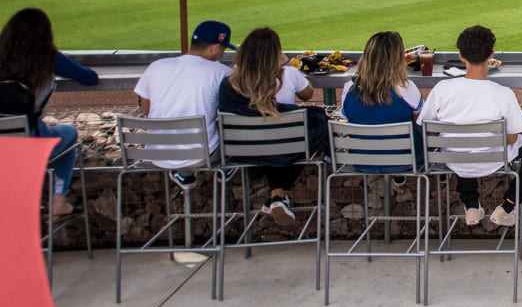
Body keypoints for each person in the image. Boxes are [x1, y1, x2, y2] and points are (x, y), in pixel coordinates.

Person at [417, 25, 522, 228]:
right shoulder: (503, 93)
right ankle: (508, 206)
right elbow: (513, 139)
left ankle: (471, 204)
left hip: (453, 159)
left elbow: (429, 130)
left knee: (463, 143)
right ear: (491, 55)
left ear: (461, 57)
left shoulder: (442, 89)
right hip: (493, 160)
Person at [217, 27, 329, 225]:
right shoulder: (288, 73)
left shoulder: (230, 82)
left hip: (244, 150)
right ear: (275, 53)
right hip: (282, 148)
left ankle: (277, 196)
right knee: (299, 135)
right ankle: (278, 195)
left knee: (273, 140)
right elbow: (308, 94)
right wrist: (286, 62)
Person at [0, 8, 99, 215]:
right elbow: (89, 78)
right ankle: (58, 199)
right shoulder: (48, 57)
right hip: (28, 143)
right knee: (70, 133)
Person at [133, 20, 236, 175]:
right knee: (234, 132)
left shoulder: (156, 66)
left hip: (156, 155)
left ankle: (184, 175)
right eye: (223, 49)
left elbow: (146, 110)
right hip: (200, 157)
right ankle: (224, 169)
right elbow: (230, 114)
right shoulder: (222, 72)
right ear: (215, 48)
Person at [340, 30, 423, 173]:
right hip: (403, 161)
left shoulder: (349, 87)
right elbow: (420, 121)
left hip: (361, 161)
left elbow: (346, 116)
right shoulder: (406, 87)